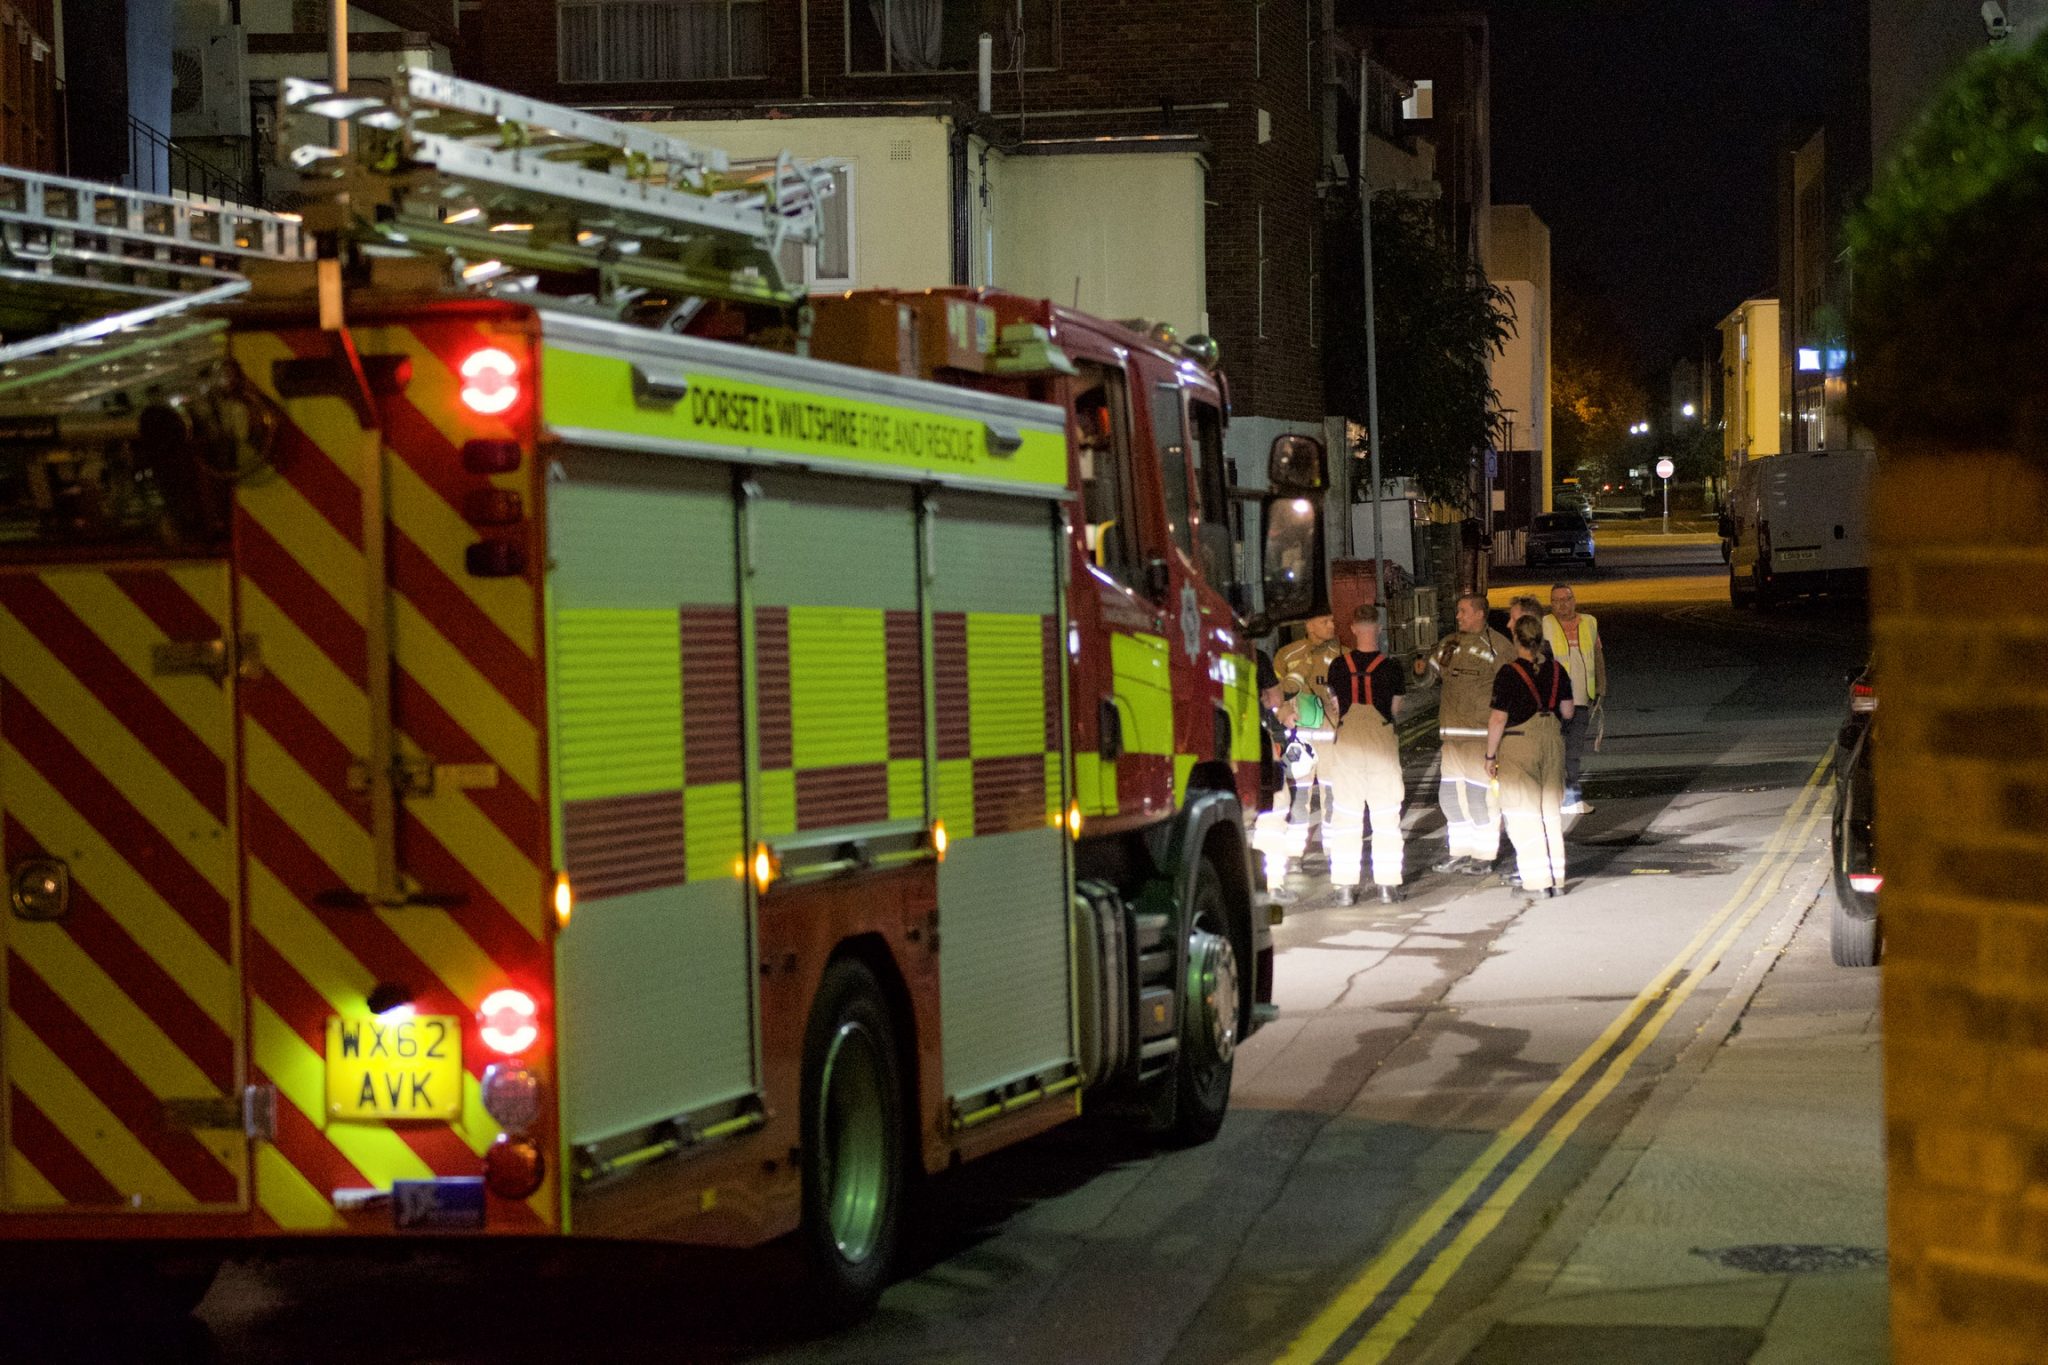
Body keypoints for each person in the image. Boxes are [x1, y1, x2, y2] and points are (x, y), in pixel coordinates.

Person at [1416, 594, 1514, 875]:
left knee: (1478, 800)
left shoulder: (1498, 646)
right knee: (1449, 798)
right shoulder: (1450, 643)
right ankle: (1459, 851)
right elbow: (1427, 677)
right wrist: (1419, 670)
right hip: (1451, 739)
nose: (1458, 616)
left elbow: (1511, 688)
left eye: (1463, 611)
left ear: (1480, 613)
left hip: (1479, 737)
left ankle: (1483, 855)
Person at [1485, 615, 1575, 897]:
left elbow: (1498, 719)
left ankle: (1538, 882)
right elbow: (1569, 711)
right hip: (1552, 742)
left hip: (1519, 746)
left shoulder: (1509, 673)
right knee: (1550, 812)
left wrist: (1490, 756)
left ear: (1516, 640)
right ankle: (1557, 880)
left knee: (1525, 814)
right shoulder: (1558, 670)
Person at [1323, 607, 1407, 905]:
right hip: (1381, 742)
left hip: (1348, 742)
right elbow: (1395, 710)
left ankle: (1345, 889)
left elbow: (1335, 706)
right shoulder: (1393, 668)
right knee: (1386, 816)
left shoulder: (1337, 666)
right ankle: (1387, 886)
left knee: (1346, 816)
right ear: (1380, 628)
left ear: (1354, 628)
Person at [1253, 615, 1343, 894]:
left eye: (1332, 620)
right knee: (1297, 799)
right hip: (1299, 741)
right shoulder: (1285, 655)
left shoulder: (1342, 655)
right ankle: (1295, 854)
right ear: (1309, 625)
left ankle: (1332, 851)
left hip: (1330, 737)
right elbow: (1276, 695)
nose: (1332, 625)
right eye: (1325, 621)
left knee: (1332, 796)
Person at [1540, 583, 1607, 814]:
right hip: (1554, 701)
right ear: (1551, 604)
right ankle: (1561, 798)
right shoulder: (1544, 625)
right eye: (1556, 600)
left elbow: (1597, 656)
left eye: (1566, 599)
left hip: (1582, 698)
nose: (1562, 604)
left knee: (1574, 752)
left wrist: (1601, 688)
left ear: (1574, 600)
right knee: (1556, 752)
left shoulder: (1589, 622)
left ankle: (1570, 798)